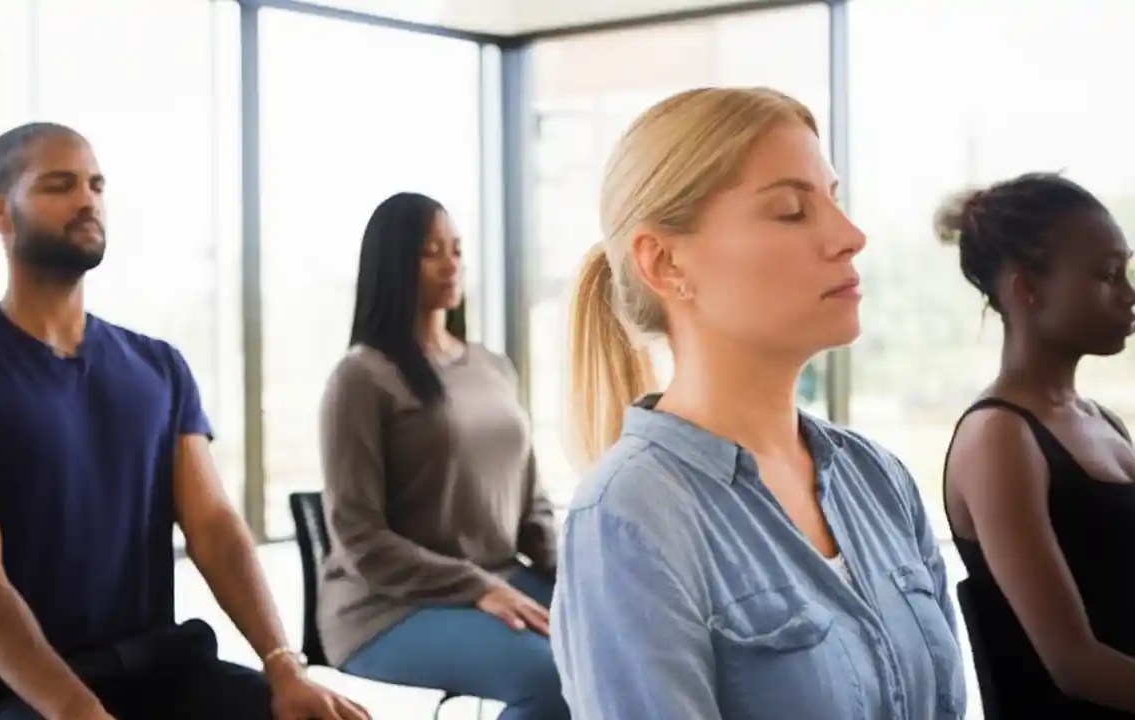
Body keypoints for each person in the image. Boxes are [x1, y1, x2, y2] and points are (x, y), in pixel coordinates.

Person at [0, 122, 369, 720]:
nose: (87, 199)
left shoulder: (159, 368)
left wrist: (284, 666)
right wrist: (74, 708)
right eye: (59, 185)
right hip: (19, 697)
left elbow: (214, 528)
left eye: (95, 184)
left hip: (158, 669)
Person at [549, 87, 966, 719]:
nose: (850, 236)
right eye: (793, 211)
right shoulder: (630, 518)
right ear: (664, 263)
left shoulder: (878, 478)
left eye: (834, 199)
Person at [317, 192, 567, 719]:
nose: (450, 263)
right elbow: (361, 537)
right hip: (388, 609)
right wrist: (476, 585)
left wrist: (570, 571)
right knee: (548, 675)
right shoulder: (362, 378)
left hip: (499, 580)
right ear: (394, 263)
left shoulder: (492, 367)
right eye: (431, 250)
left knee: (623, 640)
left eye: (456, 249)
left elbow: (532, 505)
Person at [939, 173, 1135, 717]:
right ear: (1028, 289)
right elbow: (1075, 664)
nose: (1129, 295)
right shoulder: (1000, 437)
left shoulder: (1103, 423)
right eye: (1107, 276)